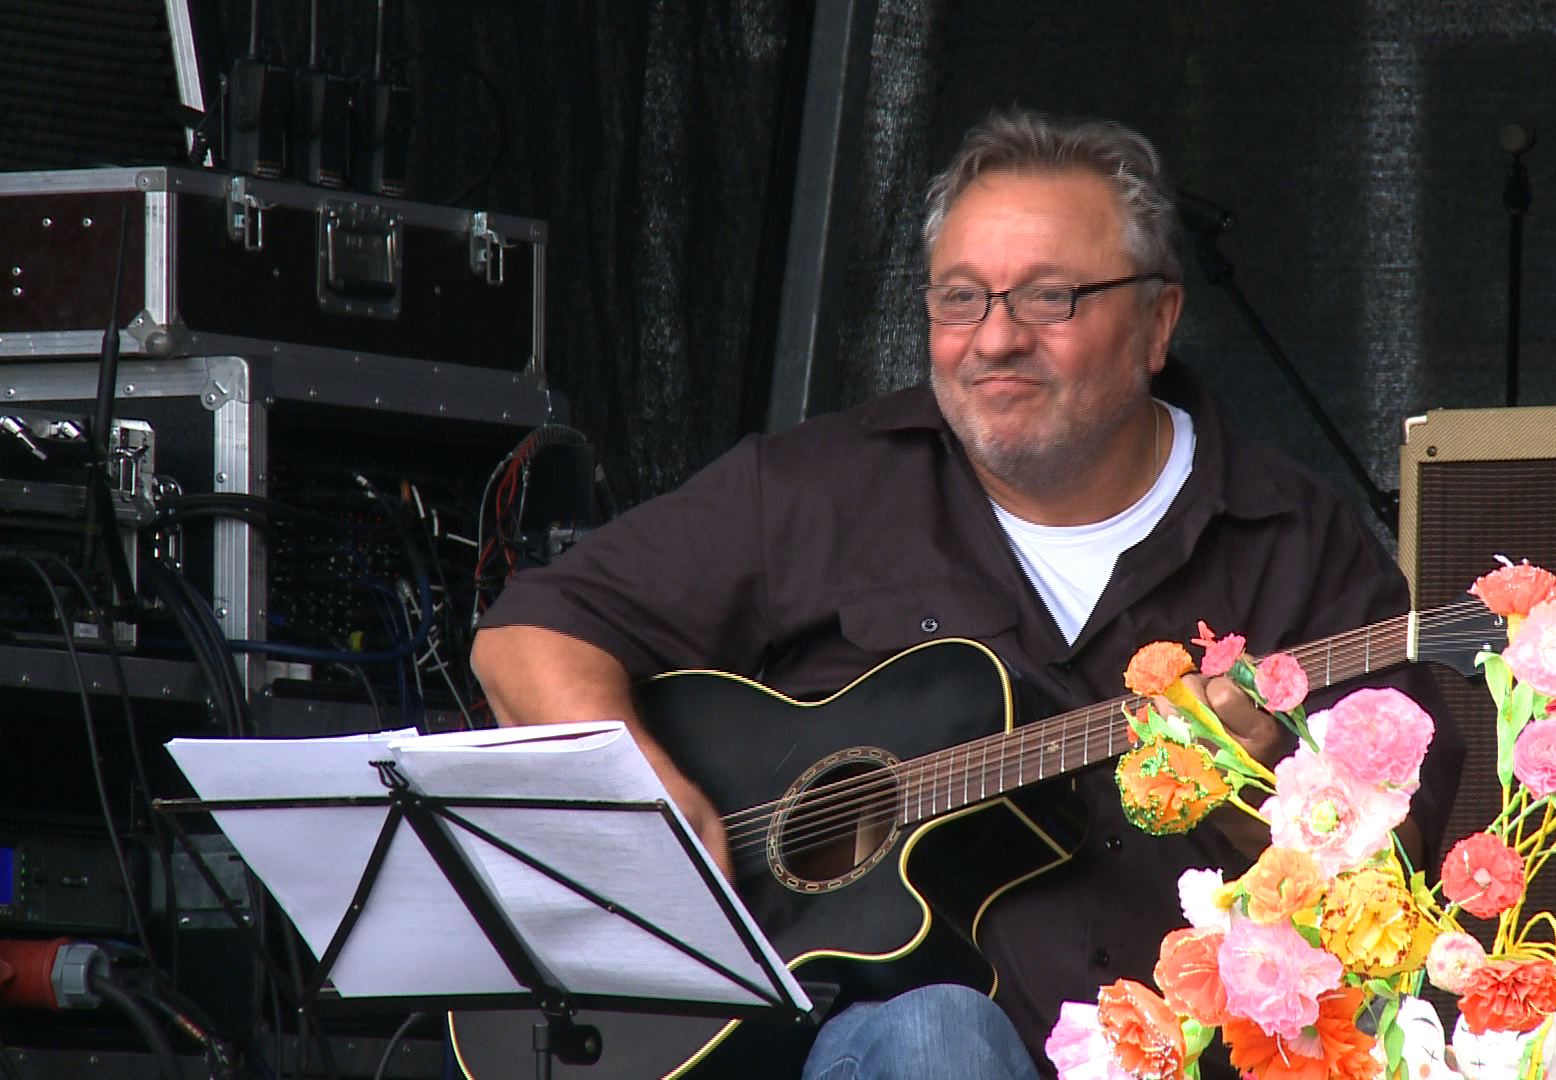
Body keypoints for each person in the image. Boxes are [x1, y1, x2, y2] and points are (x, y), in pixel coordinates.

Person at [470, 108, 1463, 1079]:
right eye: (960, 299)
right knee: (938, 1033)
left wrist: (1262, 779)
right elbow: (526, 638)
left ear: (1157, 322)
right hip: (864, 1051)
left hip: (1184, 1063)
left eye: (1048, 298)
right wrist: (655, 812)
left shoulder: (1296, 540)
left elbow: (1395, 886)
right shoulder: (820, 489)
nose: (993, 340)